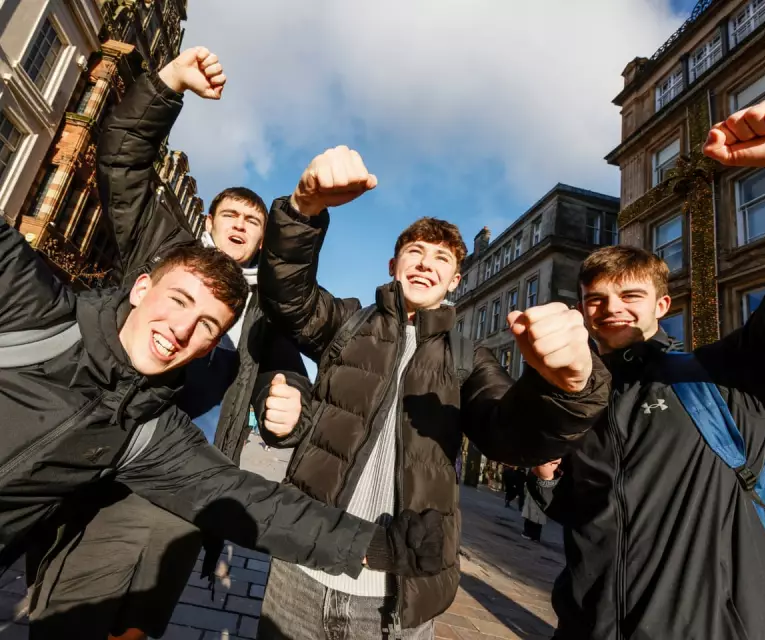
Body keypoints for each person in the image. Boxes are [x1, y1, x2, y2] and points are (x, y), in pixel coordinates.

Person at [0, 217, 445, 639]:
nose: (180, 329)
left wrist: (376, 544)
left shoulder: (147, 431)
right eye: (178, 300)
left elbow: (254, 501)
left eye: (206, 326)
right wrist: (304, 211)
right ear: (141, 288)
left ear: (211, 346)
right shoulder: (37, 316)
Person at [255, 145, 612, 639]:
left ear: (456, 279)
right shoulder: (347, 322)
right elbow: (286, 295)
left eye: (440, 259)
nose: (425, 264)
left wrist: (570, 388)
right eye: (414, 253)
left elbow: (512, 436)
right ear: (393, 264)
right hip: (302, 565)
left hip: (397, 589)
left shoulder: (468, 358)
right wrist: (302, 210)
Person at [21, 47, 312, 640]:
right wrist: (165, 85)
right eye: (230, 214)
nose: (238, 226)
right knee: (65, 609)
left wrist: (291, 408)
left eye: (252, 223)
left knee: (138, 626)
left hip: (184, 483)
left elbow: (287, 374)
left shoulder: (265, 313)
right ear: (209, 222)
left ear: (260, 241)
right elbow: (122, 162)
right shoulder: (161, 246)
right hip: (101, 462)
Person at [528, 94, 765, 639]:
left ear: (662, 305)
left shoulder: (724, 376)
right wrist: (543, 476)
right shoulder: (579, 396)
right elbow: (584, 513)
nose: (611, 309)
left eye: (630, 295)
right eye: (596, 299)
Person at [521, 462, 560, 542]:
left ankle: (529, 533)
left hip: (538, 491)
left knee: (532, 514)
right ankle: (535, 535)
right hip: (543, 492)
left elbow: (530, 478)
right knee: (537, 515)